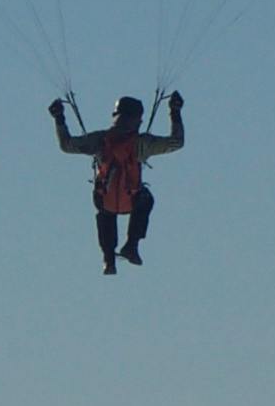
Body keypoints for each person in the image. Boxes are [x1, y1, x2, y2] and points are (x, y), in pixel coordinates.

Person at [50, 88, 183, 273]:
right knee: (146, 199)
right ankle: (132, 244)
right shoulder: (142, 143)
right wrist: (175, 111)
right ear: (138, 120)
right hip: (133, 201)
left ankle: (108, 258)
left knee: (104, 210)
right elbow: (177, 142)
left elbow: (67, 145)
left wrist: (59, 118)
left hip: (105, 201)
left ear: (115, 115)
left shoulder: (99, 140)